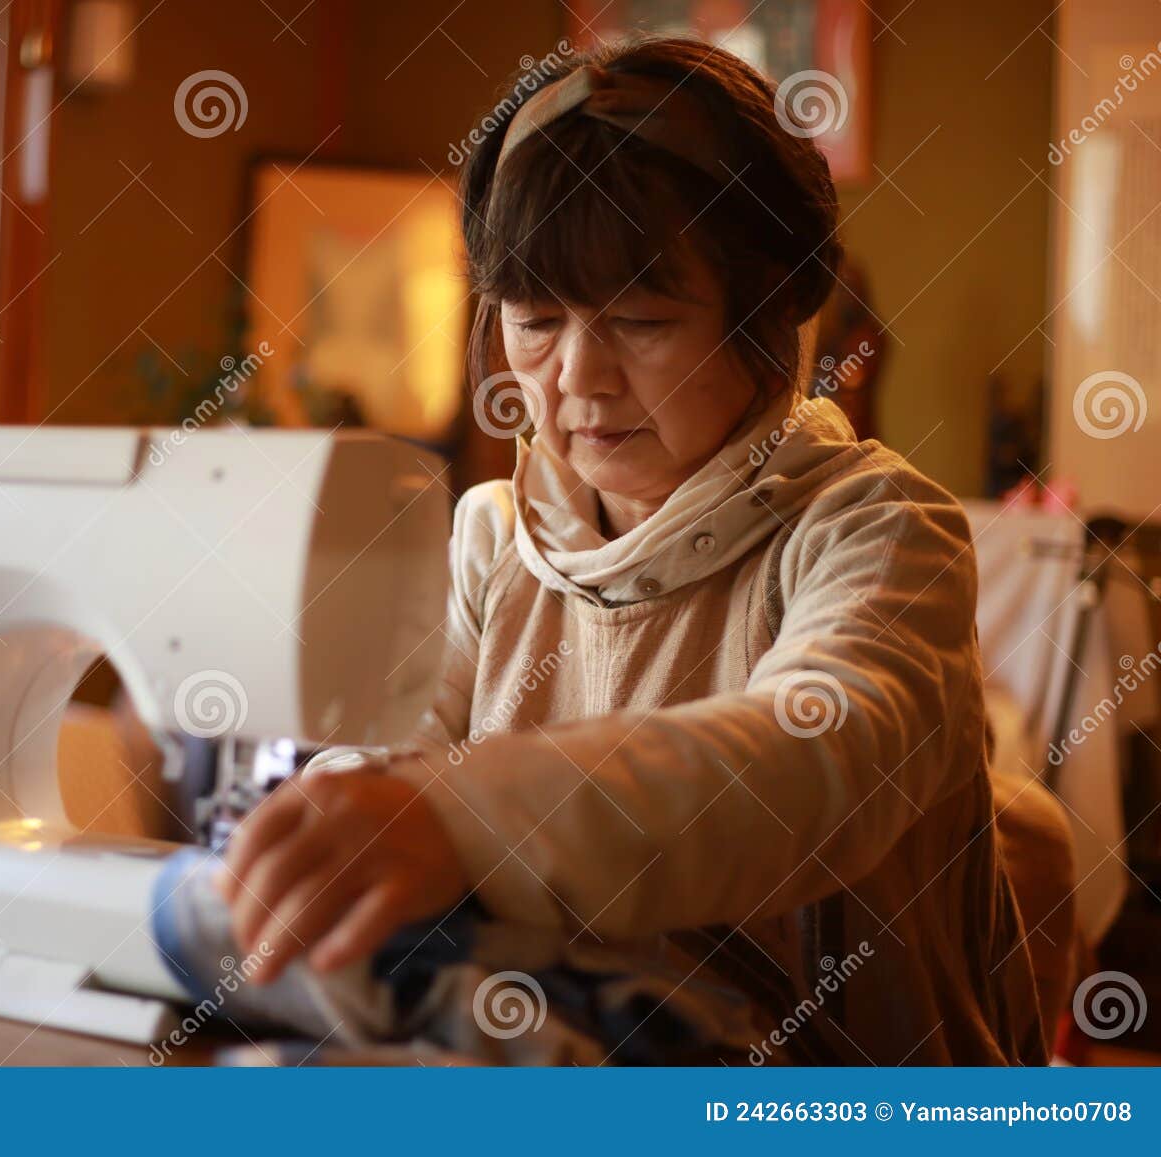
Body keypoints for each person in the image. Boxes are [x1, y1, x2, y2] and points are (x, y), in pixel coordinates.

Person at [215, 37, 1045, 1064]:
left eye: (642, 320)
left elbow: (813, 758)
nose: (574, 378)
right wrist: (335, 822)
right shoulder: (490, 539)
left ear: (774, 309)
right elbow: (396, 748)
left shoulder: (876, 530)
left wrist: (462, 817)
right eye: (533, 321)